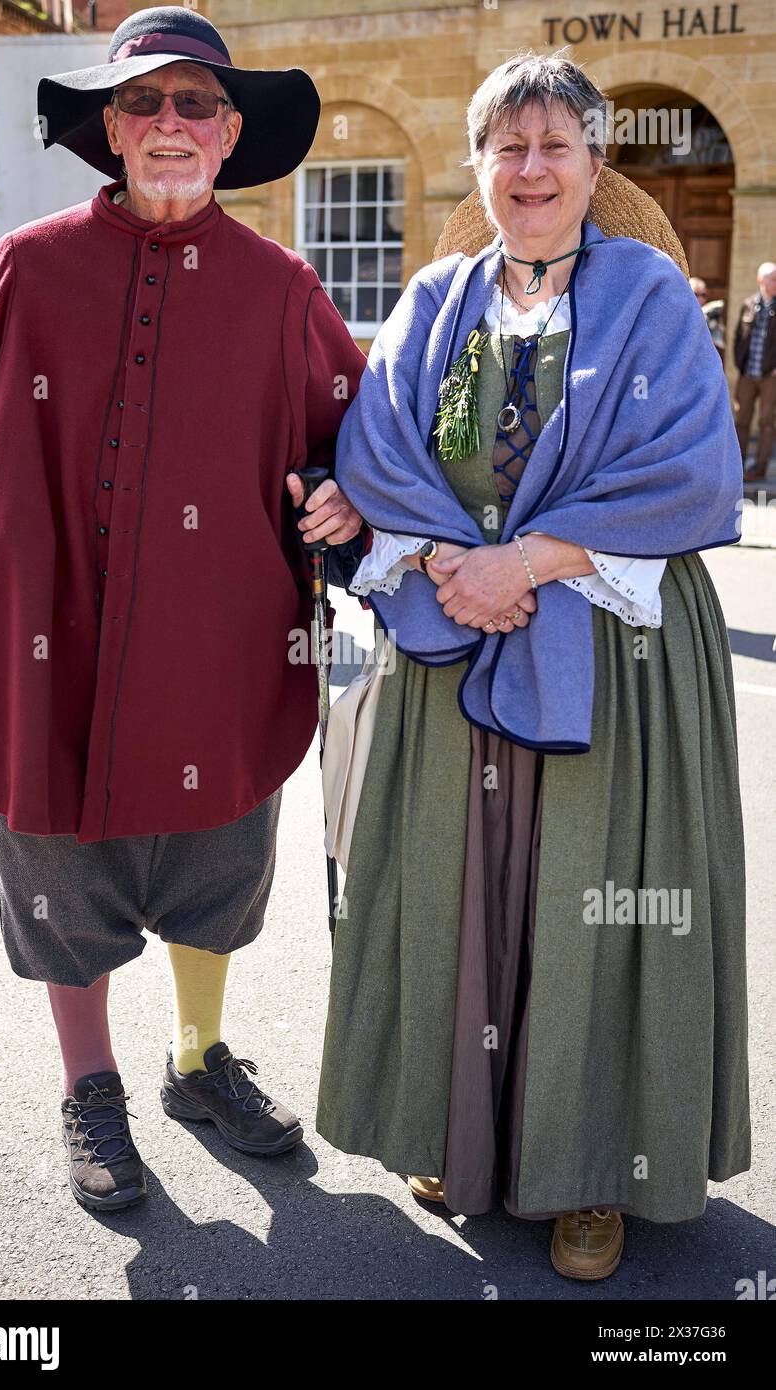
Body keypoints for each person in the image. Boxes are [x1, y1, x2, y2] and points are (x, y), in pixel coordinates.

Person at [0, 6, 366, 1212]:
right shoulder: (26, 266)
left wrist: (340, 500)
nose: (171, 124)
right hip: (46, 632)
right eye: (146, 104)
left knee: (217, 856)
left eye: (195, 105)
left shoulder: (279, 285)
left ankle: (199, 1057)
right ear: (111, 129)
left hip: (216, 639)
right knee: (61, 876)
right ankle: (90, 1083)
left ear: (228, 136)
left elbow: (351, 439)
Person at [316, 52, 751, 1281]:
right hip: (458, 639)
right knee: (460, 891)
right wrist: (460, 567)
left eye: (556, 144)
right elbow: (379, 448)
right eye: (507, 147)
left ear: (594, 165)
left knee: (590, 904)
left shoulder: (654, 300)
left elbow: (689, 478)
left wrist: (533, 562)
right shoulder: (437, 300)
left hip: (617, 654)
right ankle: (462, 1131)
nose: (531, 168)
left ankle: (589, 1172)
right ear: (479, 166)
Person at [732, 261, 776, 481]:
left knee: (767, 423)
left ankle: (759, 468)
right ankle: (737, 467)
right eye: (773, 278)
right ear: (761, 280)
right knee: (741, 420)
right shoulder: (748, 304)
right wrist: (739, 364)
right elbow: (739, 337)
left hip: (770, 377)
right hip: (747, 374)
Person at [689, 275, 725, 361]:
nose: (700, 299)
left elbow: (718, 344)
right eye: (696, 294)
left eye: (703, 295)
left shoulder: (711, 315)